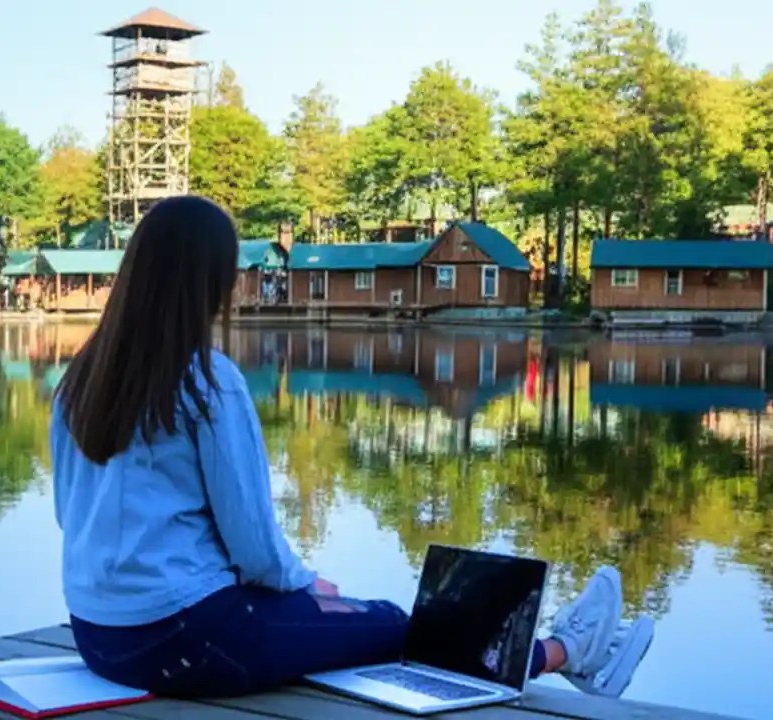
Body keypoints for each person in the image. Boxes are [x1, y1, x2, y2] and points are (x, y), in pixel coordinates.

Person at [51, 195, 647, 700]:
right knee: (388, 623)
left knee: (347, 617)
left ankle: (571, 652)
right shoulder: (208, 382)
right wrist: (304, 584)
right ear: (208, 281)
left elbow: (69, 517)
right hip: (189, 638)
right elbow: (254, 543)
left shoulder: (78, 381)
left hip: (98, 634)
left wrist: (288, 591)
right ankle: (565, 652)